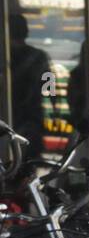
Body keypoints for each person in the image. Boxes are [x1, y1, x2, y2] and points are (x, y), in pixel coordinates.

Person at [6, 13, 52, 156]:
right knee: (29, 164)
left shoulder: (4, 57)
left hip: (8, 118)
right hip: (33, 119)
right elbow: (49, 88)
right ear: (26, 31)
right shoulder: (39, 56)